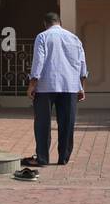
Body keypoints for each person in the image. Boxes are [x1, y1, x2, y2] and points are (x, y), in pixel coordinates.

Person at [23, 11, 87, 167]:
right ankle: (64, 157)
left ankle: (42, 158)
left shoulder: (43, 36)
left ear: (45, 24)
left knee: (43, 123)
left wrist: (32, 84)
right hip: (70, 85)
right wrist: (81, 87)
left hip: (46, 86)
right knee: (67, 123)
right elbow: (82, 64)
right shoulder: (74, 38)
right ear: (60, 22)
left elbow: (39, 61)